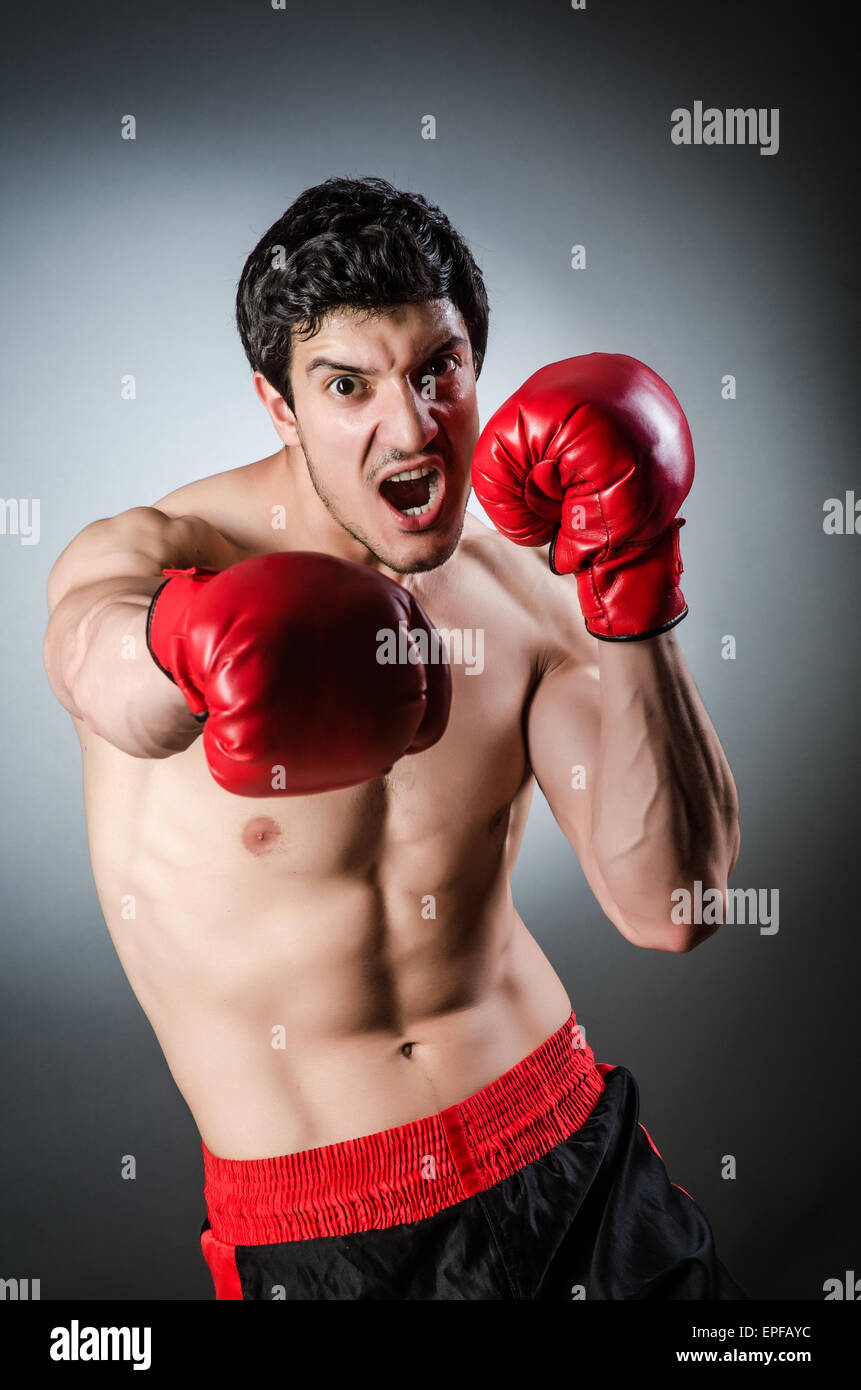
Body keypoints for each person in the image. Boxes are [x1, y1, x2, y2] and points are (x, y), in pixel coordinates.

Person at [43, 175, 747, 1301]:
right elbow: (96, 664)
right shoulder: (154, 553)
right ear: (279, 405)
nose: (410, 426)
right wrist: (195, 645)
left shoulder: (525, 583)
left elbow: (673, 908)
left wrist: (634, 587)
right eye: (346, 385)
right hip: (330, 1236)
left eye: (437, 371)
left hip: (568, 1152)